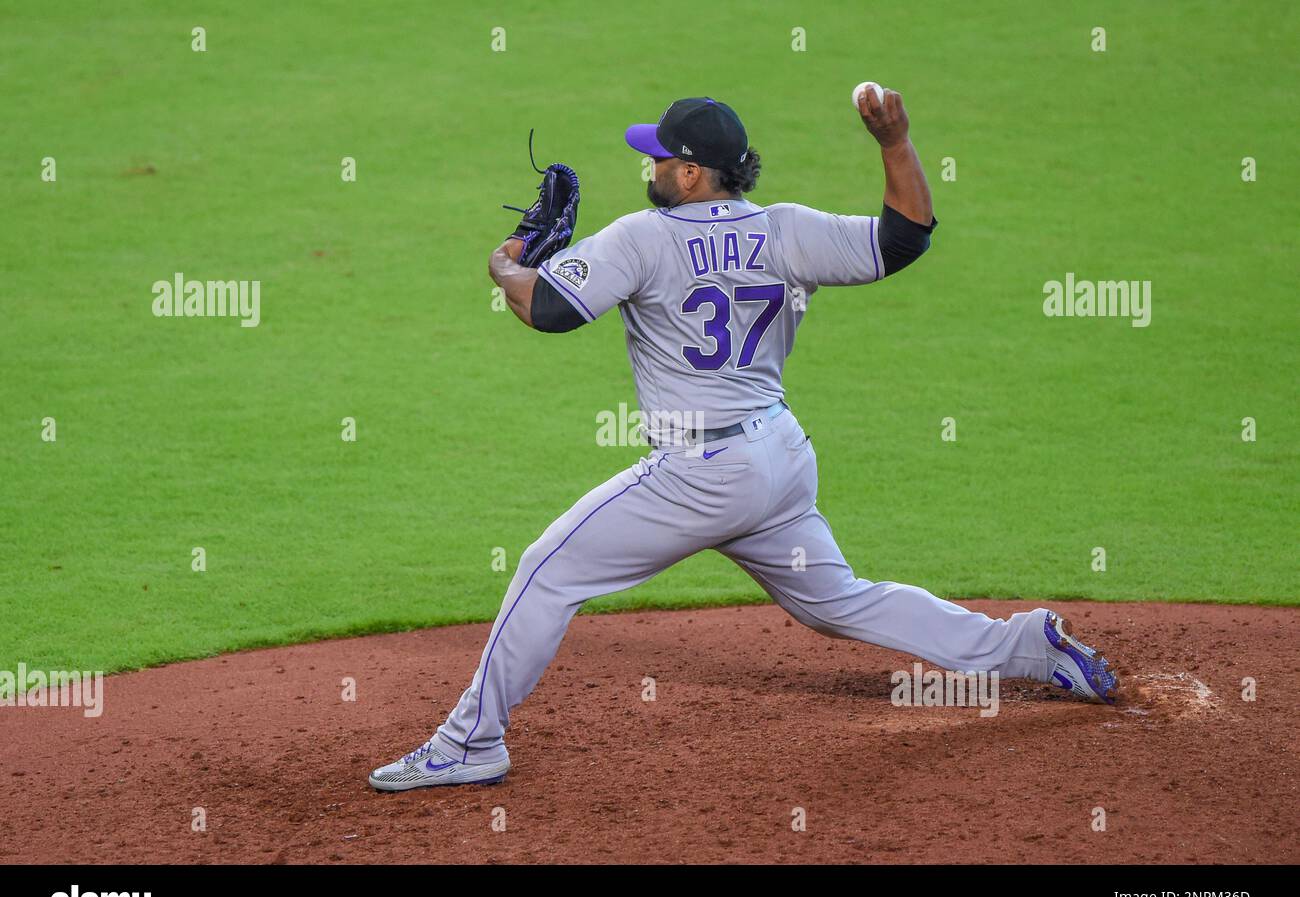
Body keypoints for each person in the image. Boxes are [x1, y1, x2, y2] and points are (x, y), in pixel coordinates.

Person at [369, 90, 1118, 791]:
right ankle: (1026, 645)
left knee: (547, 569)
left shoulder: (641, 237)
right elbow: (905, 237)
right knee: (838, 602)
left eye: (660, 158)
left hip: (701, 475)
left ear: (691, 174)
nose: (650, 167)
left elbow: (549, 313)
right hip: (779, 460)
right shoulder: (786, 229)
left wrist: (507, 260)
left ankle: (472, 741)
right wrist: (896, 141)